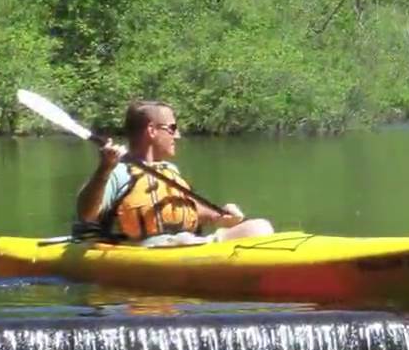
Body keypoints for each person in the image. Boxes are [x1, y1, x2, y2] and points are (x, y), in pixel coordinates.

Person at [75, 100, 274, 245]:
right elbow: (86, 213)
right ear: (152, 131)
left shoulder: (170, 170)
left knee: (259, 227)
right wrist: (104, 168)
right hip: (142, 251)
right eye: (172, 128)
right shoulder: (118, 172)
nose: (177, 135)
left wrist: (219, 216)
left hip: (183, 244)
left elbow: (186, 208)